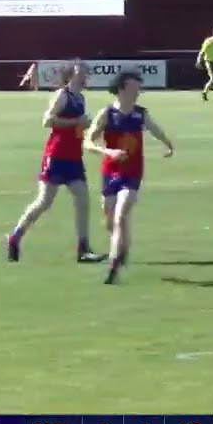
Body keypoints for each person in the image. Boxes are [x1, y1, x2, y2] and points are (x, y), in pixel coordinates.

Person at [6, 61, 105, 264]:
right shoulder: (63, 95)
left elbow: (75, 126)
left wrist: (84, 126)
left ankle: (83, 249)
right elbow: (47, 120)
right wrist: (76, 122)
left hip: (74, 157)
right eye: (80, 71)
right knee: (44, 202)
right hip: (57, 155)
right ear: (71, 75)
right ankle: (15, 237)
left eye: (86, 72)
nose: (84, 74)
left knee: (83, 200)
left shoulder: (80, 98)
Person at [85, 70, 174, 284]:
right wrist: (108, 152)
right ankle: (122, 249)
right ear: (122, 89)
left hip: (132, 173)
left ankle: (113, 264)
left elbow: (155, 129)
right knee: (110, 221)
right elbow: (88, 142)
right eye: (135, 88)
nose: (138, 92)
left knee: (120, 215)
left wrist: (168, 144)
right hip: (109, 172)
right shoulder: (106, 114)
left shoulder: (140, 114)